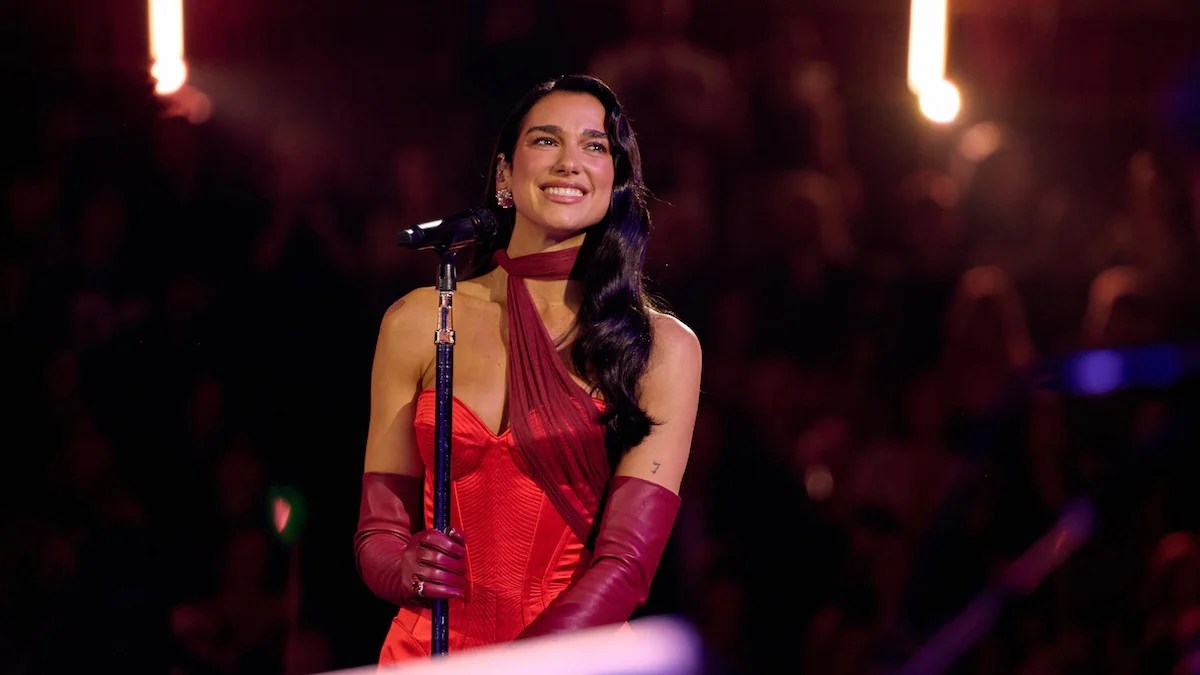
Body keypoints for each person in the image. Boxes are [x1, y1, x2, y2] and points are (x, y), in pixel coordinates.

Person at [353, 74, 702, 662]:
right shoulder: (419, 319)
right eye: (546, 140)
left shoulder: (660, 347)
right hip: (428, 655)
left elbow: (627, 566)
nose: (570, 161)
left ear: (614, 180)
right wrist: (406, 567)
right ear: (503, 176)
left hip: (565, 661)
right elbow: (376, 534)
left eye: (595, 146)